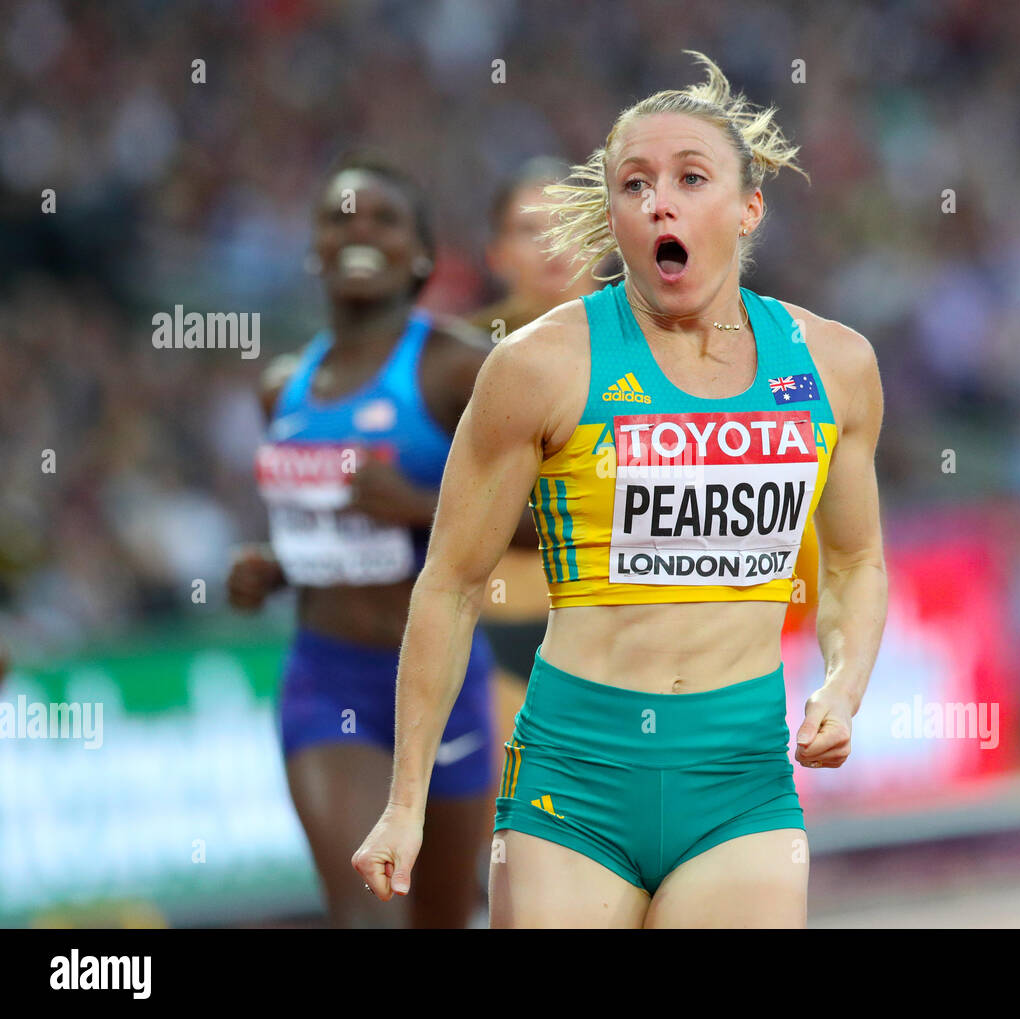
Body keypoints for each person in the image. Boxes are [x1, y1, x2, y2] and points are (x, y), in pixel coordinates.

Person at [353, 51, 888, 928]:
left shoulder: (835, 365)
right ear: (614, 216)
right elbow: (448, 583)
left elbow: (860, 559)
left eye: (689, 177)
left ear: (749, 207)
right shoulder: (538, 368)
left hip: (740, 777)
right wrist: (406, 801)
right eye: (634, 184)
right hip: (576, 778)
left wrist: (843, 682)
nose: (659, 202)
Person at [227, 150, 536, 928]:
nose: (358, 229)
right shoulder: (282, 386)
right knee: (368, 916)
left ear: (423, 254)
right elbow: (317, 536)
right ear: (313, 250)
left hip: (440, 684)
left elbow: (549, 524)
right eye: (339, 217)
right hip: (327, 685)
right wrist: (272, 567)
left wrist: (417, 505)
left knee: (446, 915)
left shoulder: (460, 370)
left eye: (384, 218)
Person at [463, 157, 603, 798]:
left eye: (567, 223)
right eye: (529, 229)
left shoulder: (661, 340)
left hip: (624, 630)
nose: (552, 244)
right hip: (499, 634)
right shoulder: (458, 356)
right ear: (496, 253)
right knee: (514, 844)